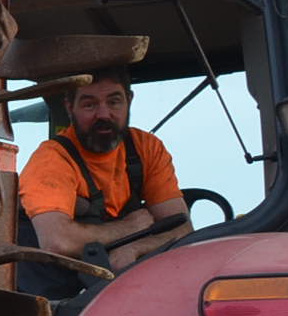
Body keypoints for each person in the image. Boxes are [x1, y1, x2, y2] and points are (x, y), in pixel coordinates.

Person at [16, 69, 188, 298]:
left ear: (129, 100)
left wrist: (136, 248)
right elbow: (57, 242)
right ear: (70, 108)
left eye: (114, 102)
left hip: (121, 295)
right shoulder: (52, 159)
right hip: (52, 306)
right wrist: (129, 228)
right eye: (90, 105)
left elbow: (182, 229)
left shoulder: (146, 148)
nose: (103, 114)